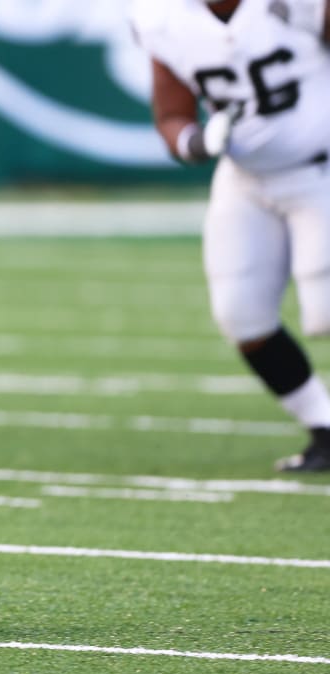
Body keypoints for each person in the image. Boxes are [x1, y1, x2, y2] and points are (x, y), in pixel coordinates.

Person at [130, 0, 330, 472]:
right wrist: (195, 143)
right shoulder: (161, 19)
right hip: (244, 179)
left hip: (320, 169)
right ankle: (324, 426)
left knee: (326, 311)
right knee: (242, 316)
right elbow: (171, 116)